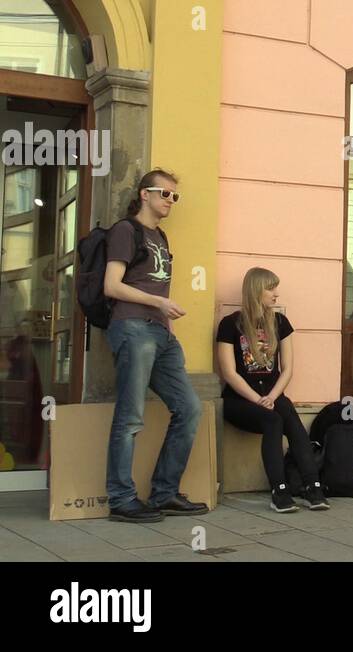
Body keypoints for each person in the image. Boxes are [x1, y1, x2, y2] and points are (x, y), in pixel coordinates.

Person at [102, 169, 207, 523]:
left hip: (161, 333)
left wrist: (162, 313)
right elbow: (112, 286)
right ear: (144, 194)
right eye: (164, 193)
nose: (170, 201)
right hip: (133, 328)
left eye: (175, 196)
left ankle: (164, 493)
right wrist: (159, 303)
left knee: (189, 408)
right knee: (131, 417)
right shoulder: (124, 231)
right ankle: (121, 498)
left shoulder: (160, 236)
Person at [216, 267, 329, 513]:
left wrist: (272, 396)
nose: (276, 294)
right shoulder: (229, 324)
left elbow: (287, 369)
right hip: (240, 400)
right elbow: (229, 373)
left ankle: (313, 487)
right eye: (271, 288)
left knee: (290, 418)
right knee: (273, 420)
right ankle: (279, 491)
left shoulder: (280, 323)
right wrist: (258, 399)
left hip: (273, 394)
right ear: (256, 290)